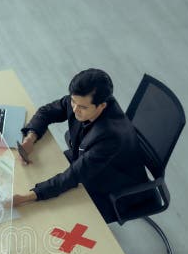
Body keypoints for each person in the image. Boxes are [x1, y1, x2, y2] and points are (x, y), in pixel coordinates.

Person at [12, 68, 148, 223]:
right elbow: (47, 112)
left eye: (82, 107)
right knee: (38, 176)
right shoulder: (81, 101)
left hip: (114, 188)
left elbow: (73, 176)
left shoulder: (110, 136)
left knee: (59, 218)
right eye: (73, 101)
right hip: (88, 161)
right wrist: (31, 138)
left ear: (102, 106)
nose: (75, 110)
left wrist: (25, 198)